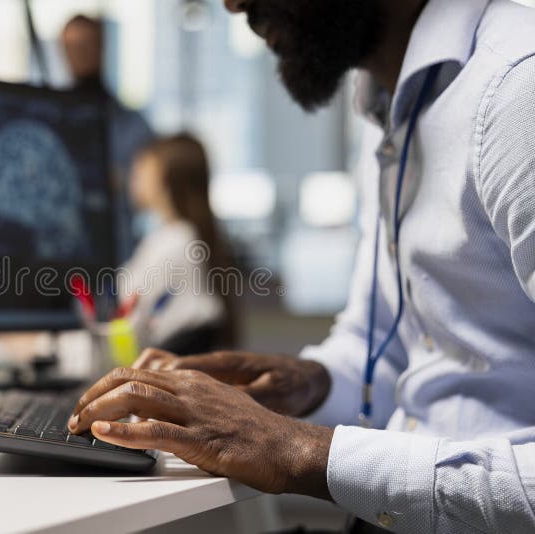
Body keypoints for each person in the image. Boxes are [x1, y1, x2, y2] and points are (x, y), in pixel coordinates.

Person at [67, 1, 535, 532]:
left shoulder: (517, 93)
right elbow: (385, 346)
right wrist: (308, 383)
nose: (232, 4)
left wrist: (296, 450)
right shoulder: (388, 108)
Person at [122, 134, 234, 355]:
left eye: (141, 166)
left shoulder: (172, 245)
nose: (131, 175)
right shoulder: (187, 238)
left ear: (162, 175)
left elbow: (126, 326)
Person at [61, 15, 154, 262]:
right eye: (70, 47)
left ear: (101, 47)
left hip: (118, 258)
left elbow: (149, 194)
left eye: (85, 45)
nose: (78, 54)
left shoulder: (132, 125)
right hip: (61, 258)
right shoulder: (53, 118)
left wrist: (118, 181)